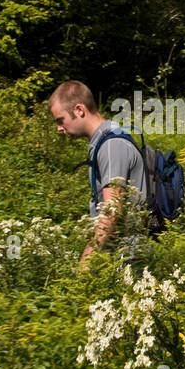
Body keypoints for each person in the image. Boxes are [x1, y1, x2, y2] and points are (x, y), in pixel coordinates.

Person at [48, 81, 148, 269]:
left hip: (127, 259)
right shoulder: (104, 141)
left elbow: (112, 210)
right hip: (119, 254)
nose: (59, 129)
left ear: (79, 110)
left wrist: (86, 262)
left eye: (60, 120)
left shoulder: (111, 145)